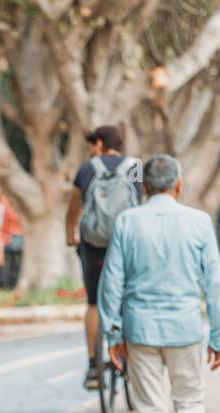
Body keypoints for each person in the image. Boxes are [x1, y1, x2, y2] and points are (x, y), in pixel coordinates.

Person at [98, 155, 220, 413]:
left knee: (152, 412)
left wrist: (113, 334)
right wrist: (218, 335)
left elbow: (112, 282)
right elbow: (215, 283)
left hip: (140, 330)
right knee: (189, 404)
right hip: (185, 329)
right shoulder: (199, 222)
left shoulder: (127, 222)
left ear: (144, 186)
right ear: (179, 185)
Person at [66, 125, 142, 389]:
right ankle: (131, 362)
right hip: (127, 243)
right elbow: (140, 205)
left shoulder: (87, 169)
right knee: (130, 299)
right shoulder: (135, 167)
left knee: (94, 303)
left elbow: (74, 206)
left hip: (94, 244)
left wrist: (70, 233)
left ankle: (92, 368)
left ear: (99, 143)